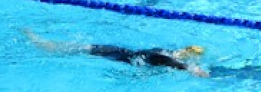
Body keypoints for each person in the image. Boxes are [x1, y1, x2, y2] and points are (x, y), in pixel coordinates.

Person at [23, 29, 209, 78]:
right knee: (59, 49)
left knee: (78, 48)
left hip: (117, 52)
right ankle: (42, 43)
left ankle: (43, 43)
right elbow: (157, 59)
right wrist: (187, 68)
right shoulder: (165, 56)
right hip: (115, 54)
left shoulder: (167, 54)